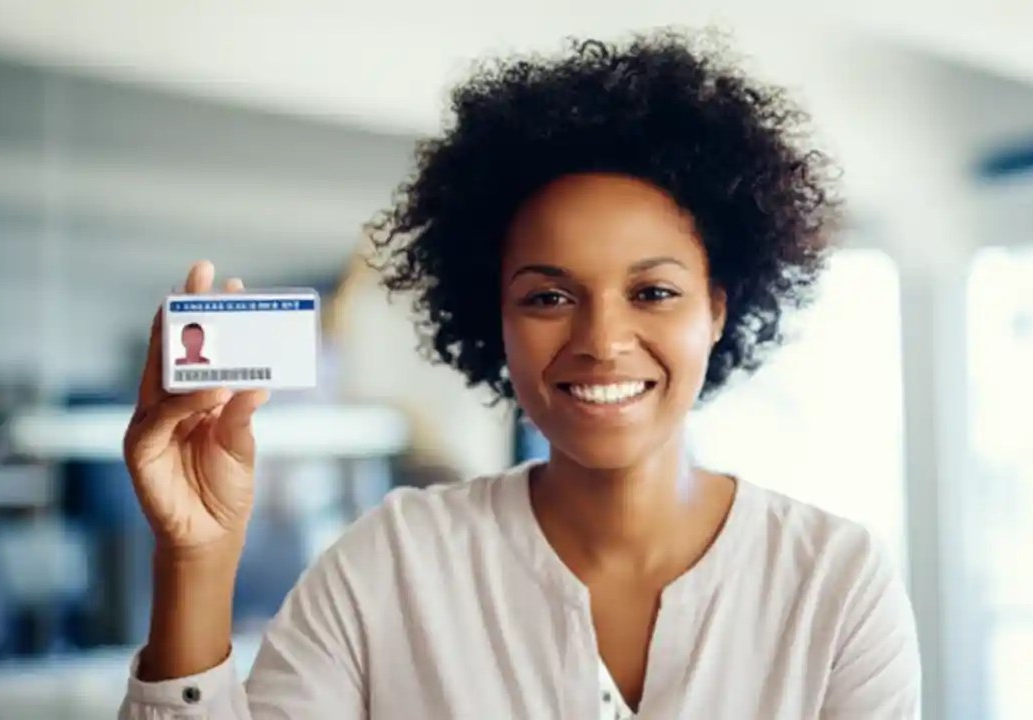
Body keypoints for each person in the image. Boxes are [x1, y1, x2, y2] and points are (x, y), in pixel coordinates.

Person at [119, 31, 921, 719]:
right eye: (548, 295)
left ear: (717, 307)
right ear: (492, 315)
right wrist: (195, 559)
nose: (603, 340)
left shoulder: (835, 586)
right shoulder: (390, 566)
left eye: (653, 292)